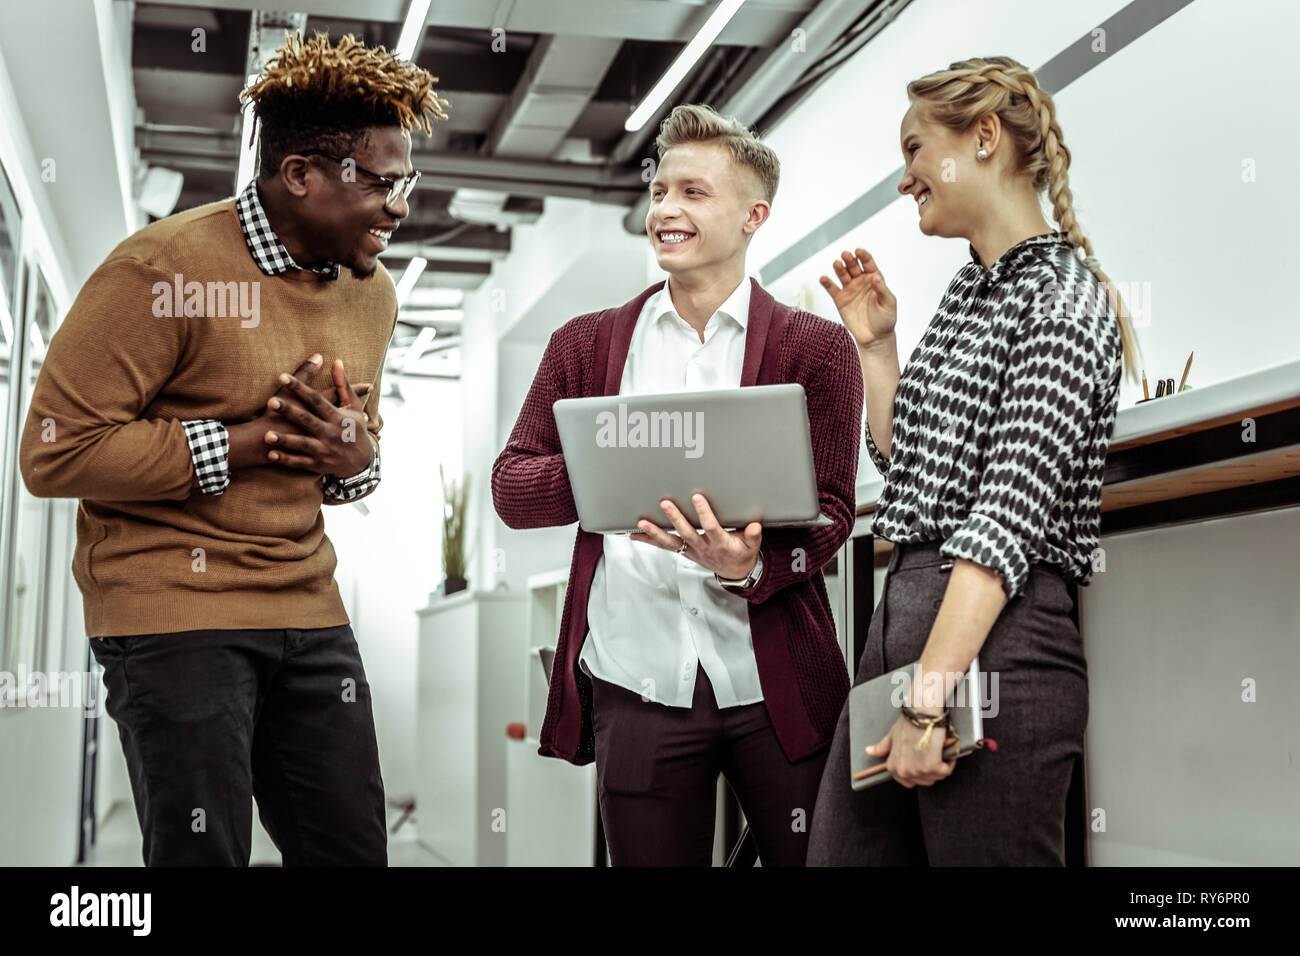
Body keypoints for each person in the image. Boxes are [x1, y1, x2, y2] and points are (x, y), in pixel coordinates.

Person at [19, 32, 449, 866]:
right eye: (383, 181)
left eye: (408, 181)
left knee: (352, 850)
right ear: (300, 175)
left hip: (308, 608)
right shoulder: (159, 269)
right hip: (172, 608)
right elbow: (56, 452)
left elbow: (354, 458)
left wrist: (352, 455)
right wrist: (246, 444)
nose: (401, 204)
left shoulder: (373, 294)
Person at [492, 104, 863, 866]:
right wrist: (616, 468)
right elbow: (511, 485)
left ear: (753, 215)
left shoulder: (817, 348)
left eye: (694, 193)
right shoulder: (584, 344)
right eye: (660, 192)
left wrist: (749, 567)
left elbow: (831, 515)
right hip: (637, 679)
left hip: (776, 683)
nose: (666, 210)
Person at [807, 56, 1140, 866]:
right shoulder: (968, 293)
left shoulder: (1064, 296)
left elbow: (1003, 520)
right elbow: (907, 467)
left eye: (915, 150)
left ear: (982, 137)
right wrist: (879, 350)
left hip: (999, 645)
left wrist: (928, 703)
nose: (905, 179)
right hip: (906, 626)